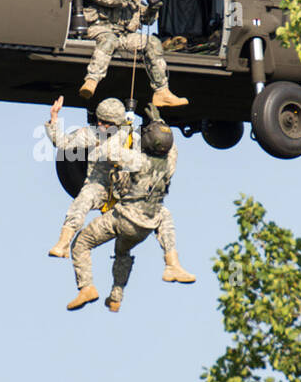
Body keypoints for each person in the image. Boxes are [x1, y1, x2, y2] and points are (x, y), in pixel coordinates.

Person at [45, 96, 193, 283]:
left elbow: (160, 151)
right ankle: (64, 241)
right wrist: (54, 119)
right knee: (84, 198)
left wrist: (155, 125)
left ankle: (172, 264)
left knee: (160, 214)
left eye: (106, 123)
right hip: (100, 184)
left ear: (116, 123)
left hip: (126, 193)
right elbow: (63, 143)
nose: (100, 125)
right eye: (99, 120)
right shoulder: (94, 134)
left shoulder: (136, 138)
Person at [67, 108, 195, 312]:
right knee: (125, 249)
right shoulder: (168, 164)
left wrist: (124, 130)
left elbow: (110, 153)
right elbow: (171, 147)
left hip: (123, 218)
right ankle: (166, 266)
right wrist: (159, 122)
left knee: (81, 244)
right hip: (145, 227)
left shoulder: (137, 160)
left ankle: (86, 287)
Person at [79, 0, 188, 110]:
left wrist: (153, 8)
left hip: (123, 37)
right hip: (101, 30)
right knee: (108, 40)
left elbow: (145, 20)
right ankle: (92, 80)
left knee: (151, 42)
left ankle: (162, 91)